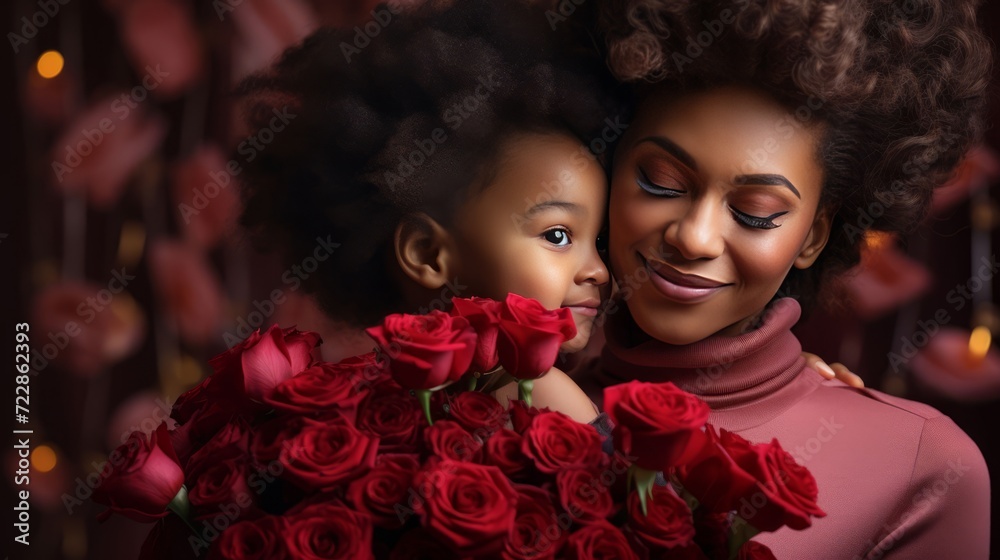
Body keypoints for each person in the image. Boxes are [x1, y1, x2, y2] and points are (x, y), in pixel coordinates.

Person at [579, 0, 992, 557]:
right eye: (660, 182)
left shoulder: (921, 463)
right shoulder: (498, 397)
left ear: (814, 236)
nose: (694, 237)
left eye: (754, 212)